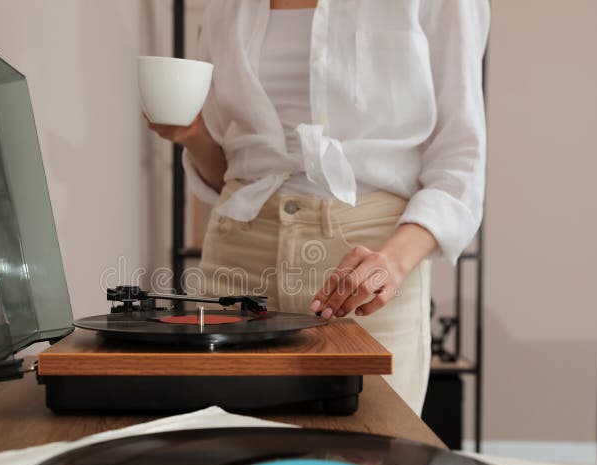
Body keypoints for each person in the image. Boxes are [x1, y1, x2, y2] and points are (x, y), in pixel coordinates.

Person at [146, 0, 489, 415]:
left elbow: (460, 162)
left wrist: (393, 263)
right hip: (237, 255)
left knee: (364, 463)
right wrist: (193, 133)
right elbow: (226, 173)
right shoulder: (227, 6)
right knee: (224, 461)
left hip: (361, 269)